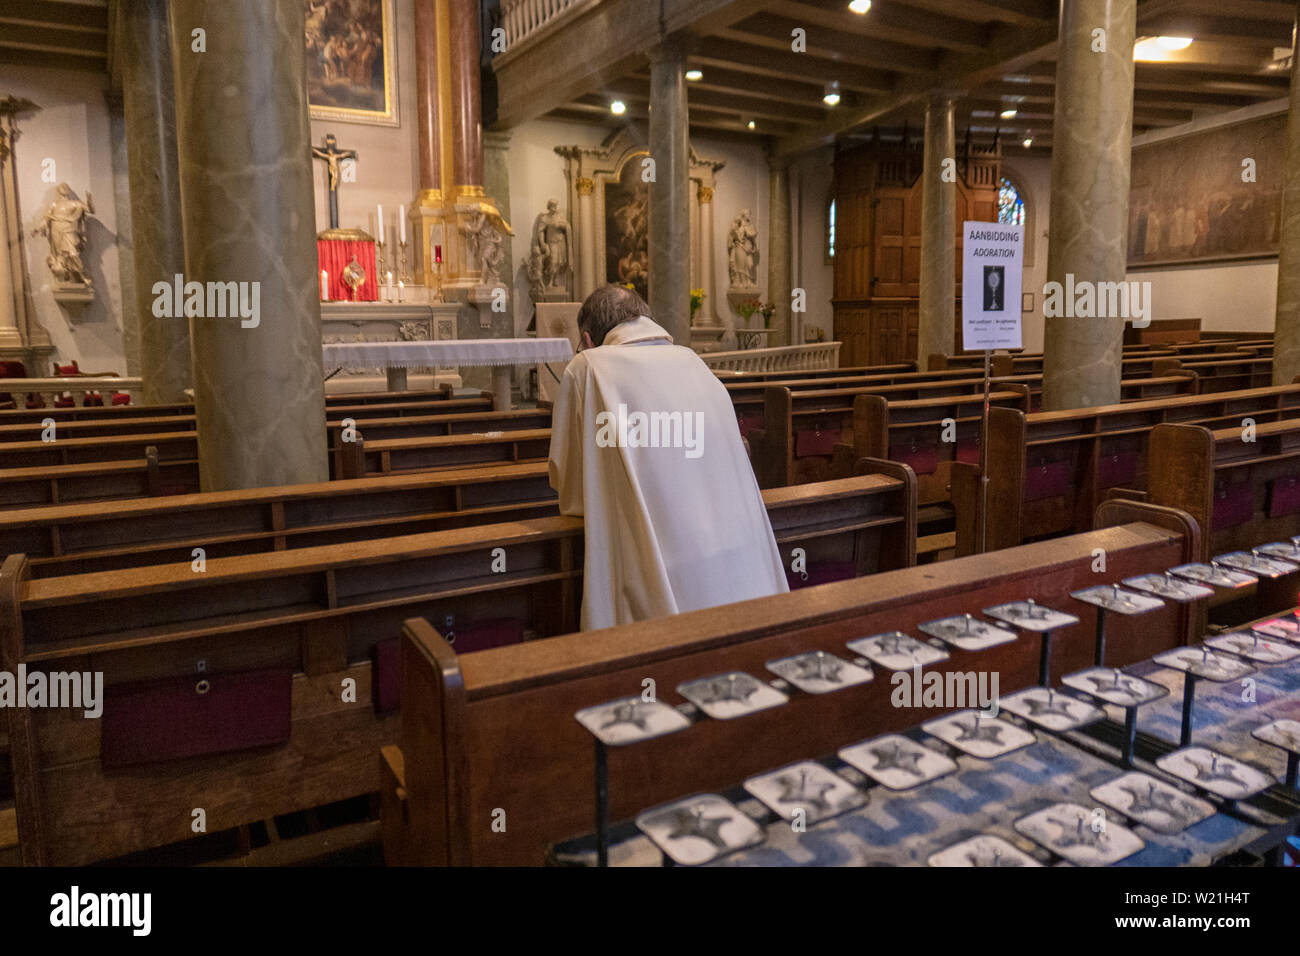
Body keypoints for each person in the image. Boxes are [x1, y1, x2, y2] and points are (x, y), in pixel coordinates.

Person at [548, 285, 789, 630]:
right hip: (736, 559)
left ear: (587, 339)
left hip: (658, 569)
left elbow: (568, 479)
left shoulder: (587, 367)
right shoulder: (694, 362)